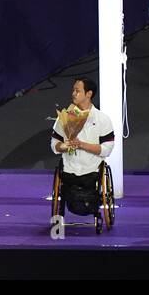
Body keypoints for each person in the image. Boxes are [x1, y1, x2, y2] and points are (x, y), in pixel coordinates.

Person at [49, 77, 115, 218]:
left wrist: (82, 145)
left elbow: (107, 149)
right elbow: (54, 145)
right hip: (68, 170)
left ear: (89, 94)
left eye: (77, 91)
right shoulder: (64, 118)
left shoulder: (102, 119)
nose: (73, 93)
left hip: (92, 170)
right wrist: (64, 146)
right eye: (73, 90)